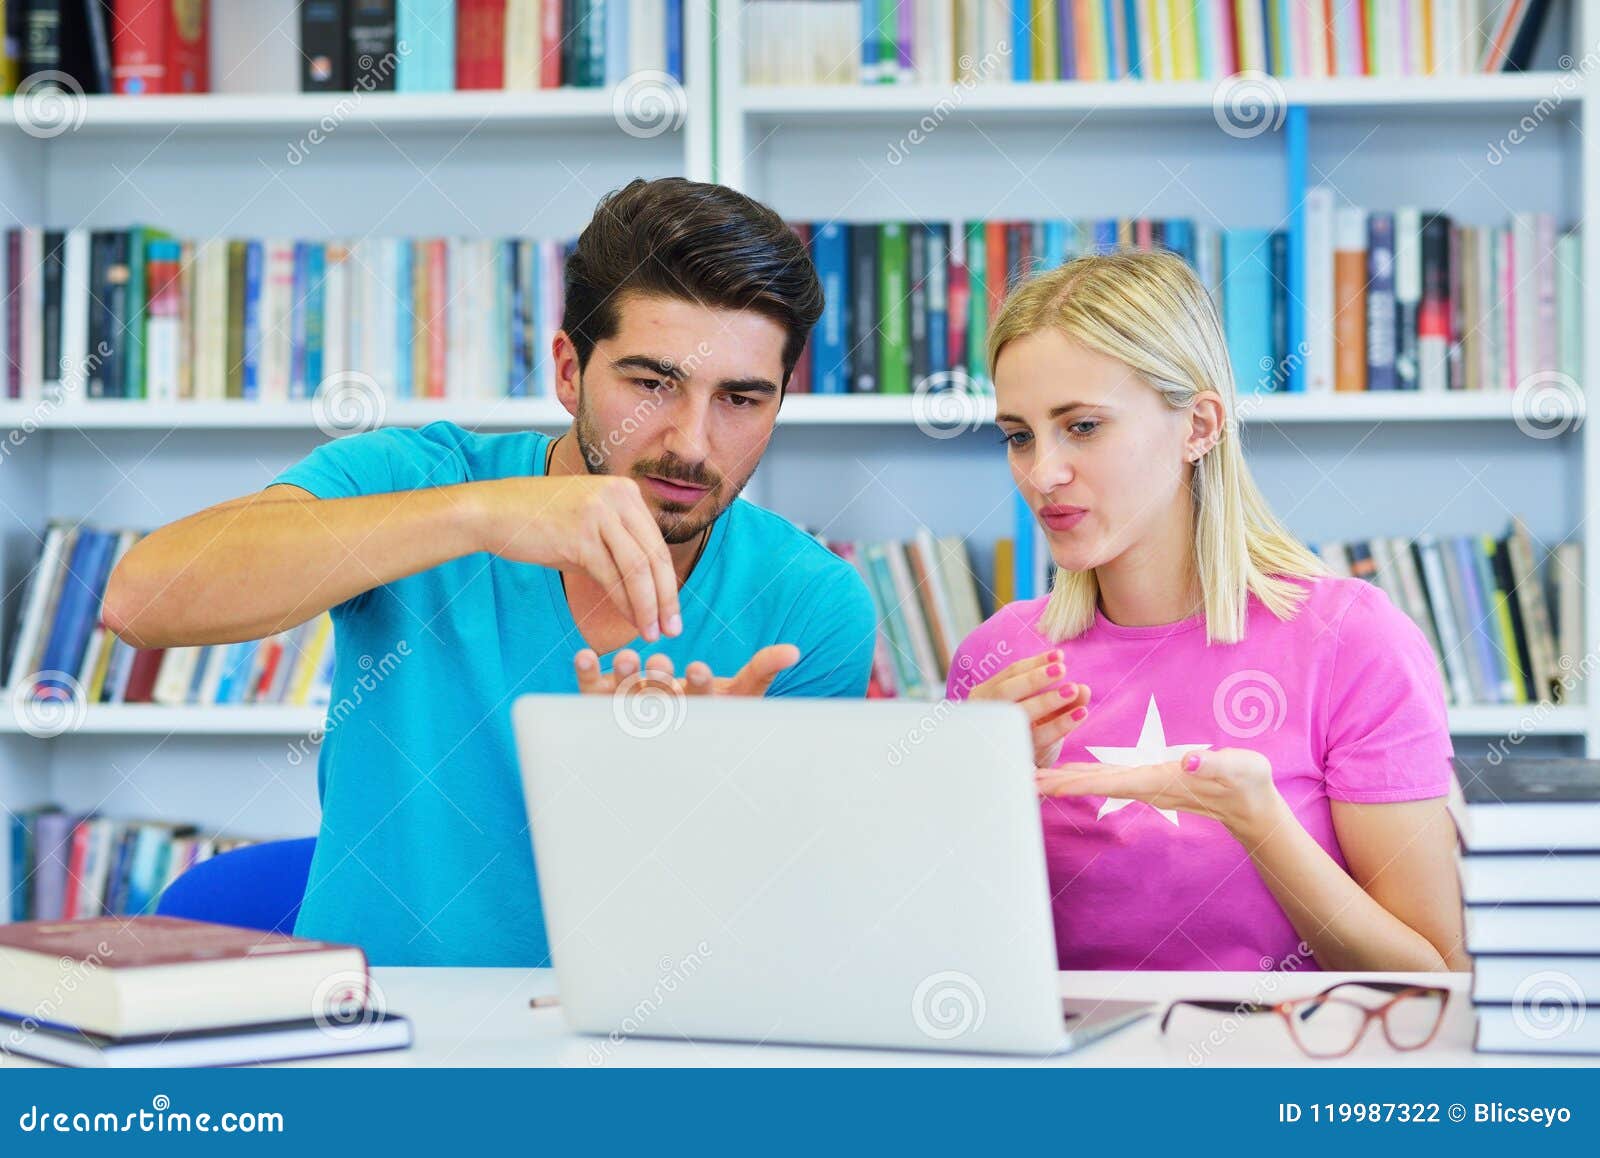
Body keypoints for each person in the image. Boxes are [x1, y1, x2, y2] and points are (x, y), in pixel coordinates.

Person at [104, 177, 878, 966]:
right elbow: (142, 598)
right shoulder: (424, 474)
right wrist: (480, 515)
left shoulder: (811, 604)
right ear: (570, 370)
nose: (691, 441)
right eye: (652, 385)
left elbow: (778, 934)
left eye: (741, 399)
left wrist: (692, 793)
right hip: (371, 1044)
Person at [946, 249, 1468, 972]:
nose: (1043, 473)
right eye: (1019, 435)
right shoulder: (999, 660)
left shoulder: (1352, 642)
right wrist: (975, 800)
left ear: (1199, 426)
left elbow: (1434, 980)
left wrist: (1258, 822)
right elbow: (954, 966)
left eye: (1085, 427)